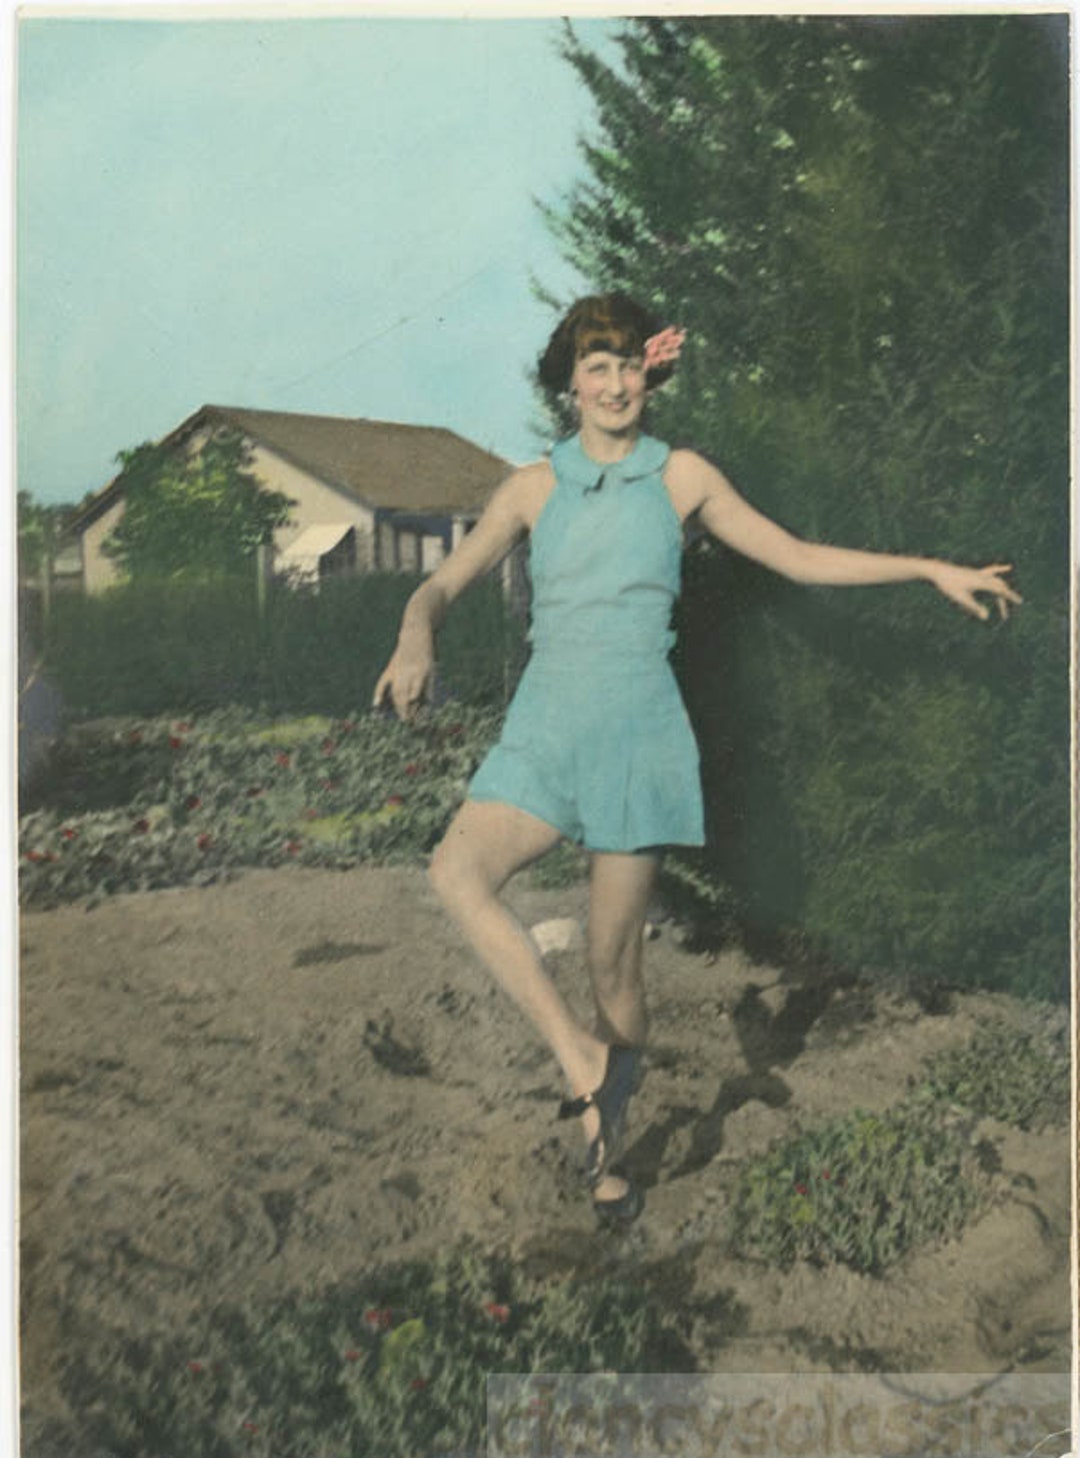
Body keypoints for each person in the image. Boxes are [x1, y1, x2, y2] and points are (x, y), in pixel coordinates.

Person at [373, 292, 1020, 1226]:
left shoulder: (681, 479)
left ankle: (608, 1157)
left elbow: (795, 556)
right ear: (569, 385)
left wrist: (927, 567)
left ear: (649, 375)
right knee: (455, 873)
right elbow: (438, 583)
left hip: (638, 732)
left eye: (629, 364)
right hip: (546, 728)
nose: (615, 382)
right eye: (596, 367)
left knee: (613, 970)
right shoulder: (530, 487)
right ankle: (583, 1061)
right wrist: (414, 637)